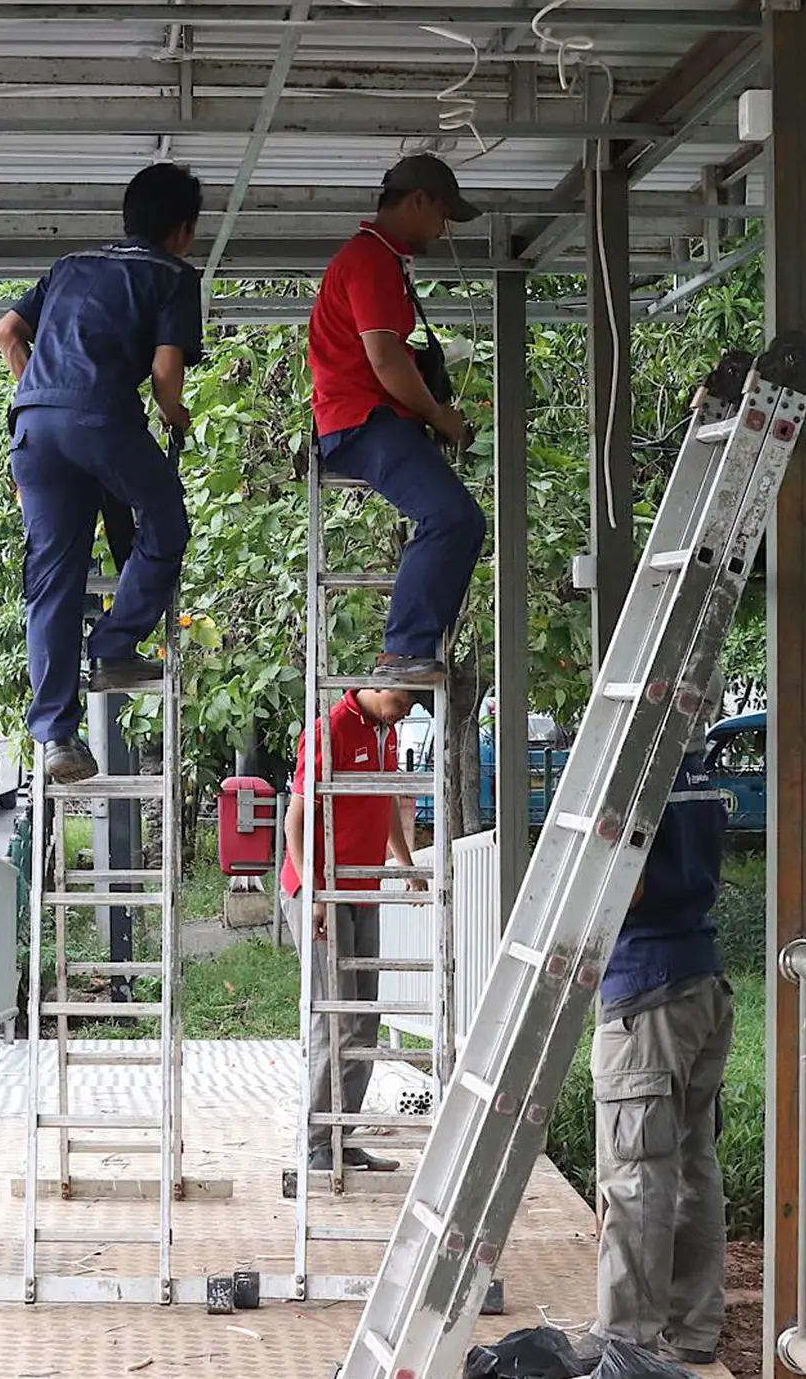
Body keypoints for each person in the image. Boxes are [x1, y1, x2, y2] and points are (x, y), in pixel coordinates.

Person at [0, 162, 206, 784]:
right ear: (185, 229)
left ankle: (57, 734)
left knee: (54, 573)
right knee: (165, 519)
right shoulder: (173, 275)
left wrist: (41, 392)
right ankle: (114, 648)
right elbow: (167, 373)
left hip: (33, 424)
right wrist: (176, 415)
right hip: (102, 420)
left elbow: (9, 331)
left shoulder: (70, 265)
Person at [304, 152, 487, 688]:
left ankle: (417, 646)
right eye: (443, 214)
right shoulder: (372, 260)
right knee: (452, 518)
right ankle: (405, 651)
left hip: (371, 416)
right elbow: (383, 359)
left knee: (459, 521)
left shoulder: (381, 259)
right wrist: (439, 415)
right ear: (418, 201)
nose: (444, 227)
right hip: (361, 418)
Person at [584, 747, 732, 1366]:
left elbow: (628, 882)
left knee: (638, 1174)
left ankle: (628, 1342)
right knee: (693, 1164)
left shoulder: (637, 770)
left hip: (646, 990)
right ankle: (693, 1328)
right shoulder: (695, 768)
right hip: (700, 981)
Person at [280, 684, 421, 1173]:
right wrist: (314, 894)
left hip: (363, 889)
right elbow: (293, 824)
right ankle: (317, 1142)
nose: (404, 715)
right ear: (377, 686)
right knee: (333, 1016)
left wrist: (406, 865)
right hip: (321, 892)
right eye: (401, 703)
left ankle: (341, 1136)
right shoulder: (328, 731)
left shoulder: (386, 730)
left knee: (363, 1021)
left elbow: (383, 806)